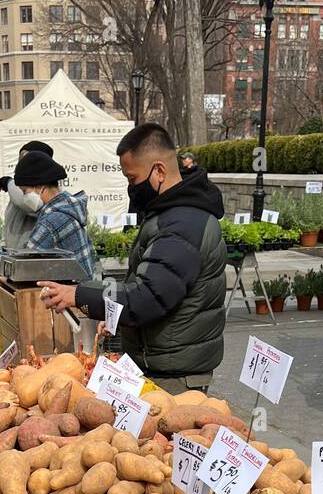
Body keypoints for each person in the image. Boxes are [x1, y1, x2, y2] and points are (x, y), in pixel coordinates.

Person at [39, 123, 225, 393]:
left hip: (174, 376)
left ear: (159, 171)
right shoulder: (169, 214)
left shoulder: (183, 224)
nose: (132, 188)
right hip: (161, 362)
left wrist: (78, 295)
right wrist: (115, 316)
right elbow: (146, 283)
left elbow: (148, 297)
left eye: (132, 179)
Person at [0, 140, 53, 275]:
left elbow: (30, 205)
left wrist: (9, 183)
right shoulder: (19, 190)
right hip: (15, 257)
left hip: (27, 262)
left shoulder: (43, 191)